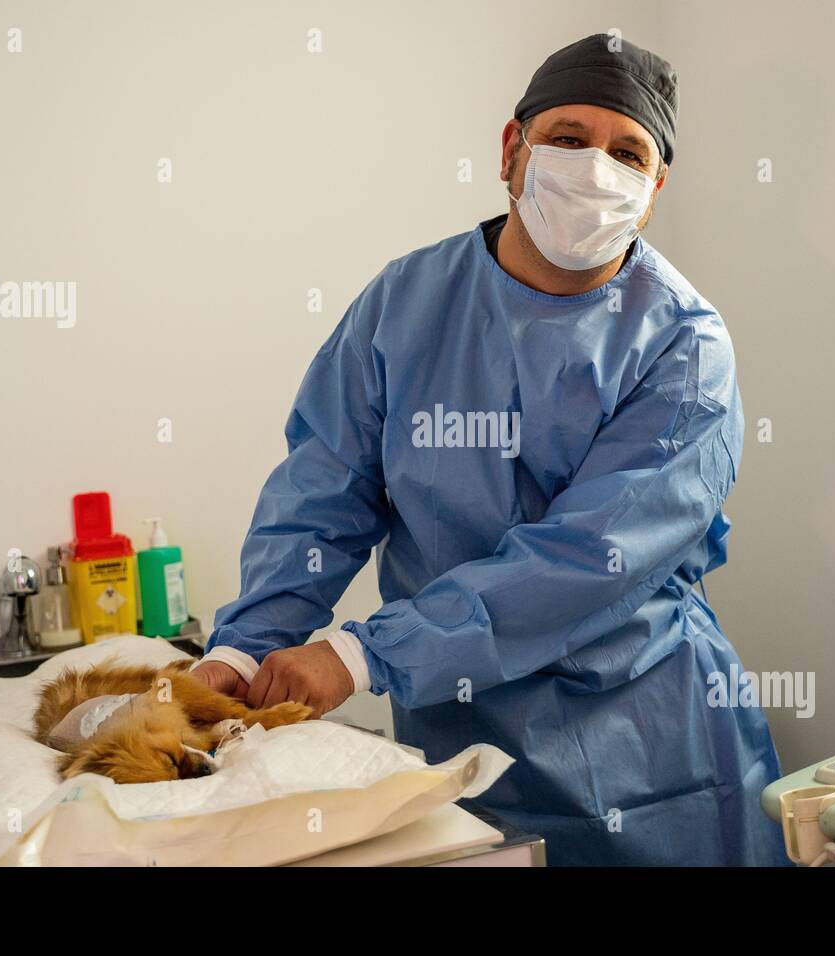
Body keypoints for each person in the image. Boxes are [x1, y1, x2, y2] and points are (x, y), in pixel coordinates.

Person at [193, 33, 787, 866]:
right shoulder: (404, 304)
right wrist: (244, 645)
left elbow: (588, 561)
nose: (594, 169)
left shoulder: (684, 348)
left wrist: (363, 654)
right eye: (569, 139)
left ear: (653, 189)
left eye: (627, 153)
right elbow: (323, 490)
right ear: (513, 150)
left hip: (647, 746)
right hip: (460, 733)